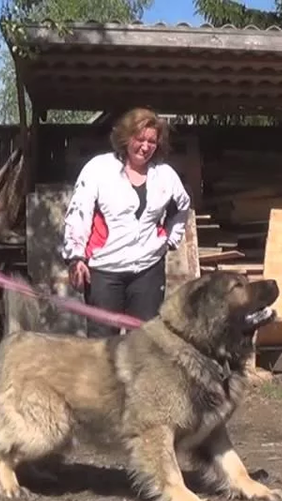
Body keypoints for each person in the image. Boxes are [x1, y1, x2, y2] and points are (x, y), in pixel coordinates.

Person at [61, 107, 192, 337]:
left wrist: (170, 239)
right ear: (125, 137)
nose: (145, 146)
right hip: (104, 271)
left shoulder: (165, 175)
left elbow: (182, 206)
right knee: (102, 343)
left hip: (147, 270)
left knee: (145, 341)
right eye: (139, 139)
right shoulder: (99, 169)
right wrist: (76, 257)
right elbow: (79, 211)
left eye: (152, 141)